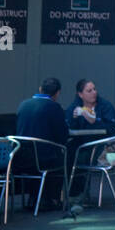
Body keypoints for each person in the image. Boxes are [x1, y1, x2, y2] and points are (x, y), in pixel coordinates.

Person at [15, 77, 69, 210]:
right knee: (65, 157)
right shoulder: (54, 107)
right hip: (43, 158)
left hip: (19, 157)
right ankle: (52, 199)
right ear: (57, 93)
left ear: (40, 89)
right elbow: (62, 136)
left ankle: (33, 198)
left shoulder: (23, 104)